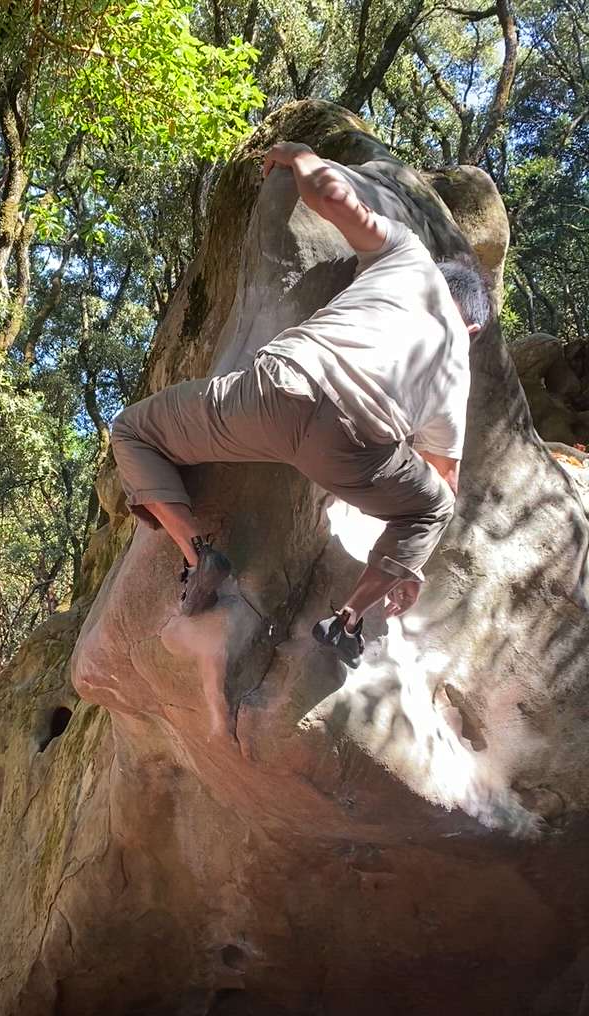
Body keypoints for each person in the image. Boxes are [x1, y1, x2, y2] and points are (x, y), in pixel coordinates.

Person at [111, 141, 491, 667]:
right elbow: (442, 482)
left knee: (132, 430)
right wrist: (409, 563)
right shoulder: (457, 370)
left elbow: (335, 200)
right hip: (352, 448)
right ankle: (348, 620)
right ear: (470, 326)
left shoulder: (410, 257)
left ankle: (198, 554)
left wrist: (301, 156)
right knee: (433, 506)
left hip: (278, 393)